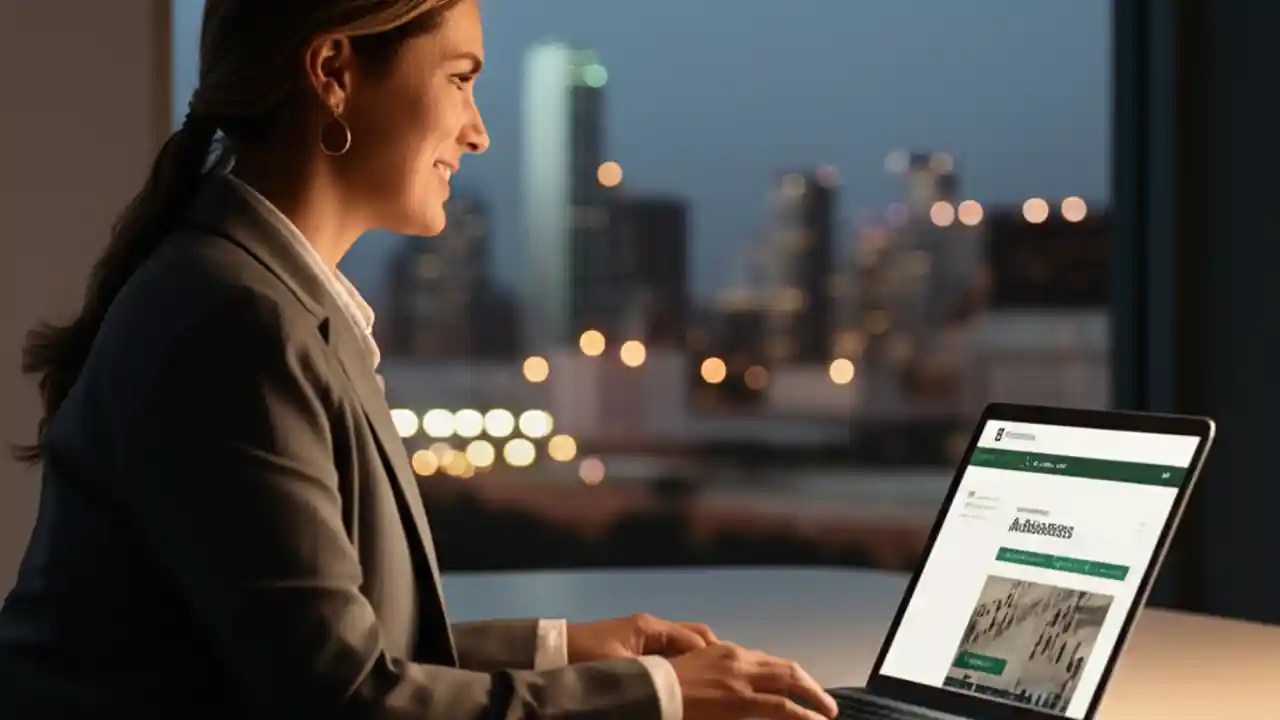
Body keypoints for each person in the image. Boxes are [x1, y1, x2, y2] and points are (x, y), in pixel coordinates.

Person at [0, 2, 839, 719]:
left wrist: (562, 650)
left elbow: (308, 650)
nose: (478, 132)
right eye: (461, 78)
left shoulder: (253, 295)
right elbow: (345, 699)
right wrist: (659, 696)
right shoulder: (238, 324)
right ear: (334, 71)